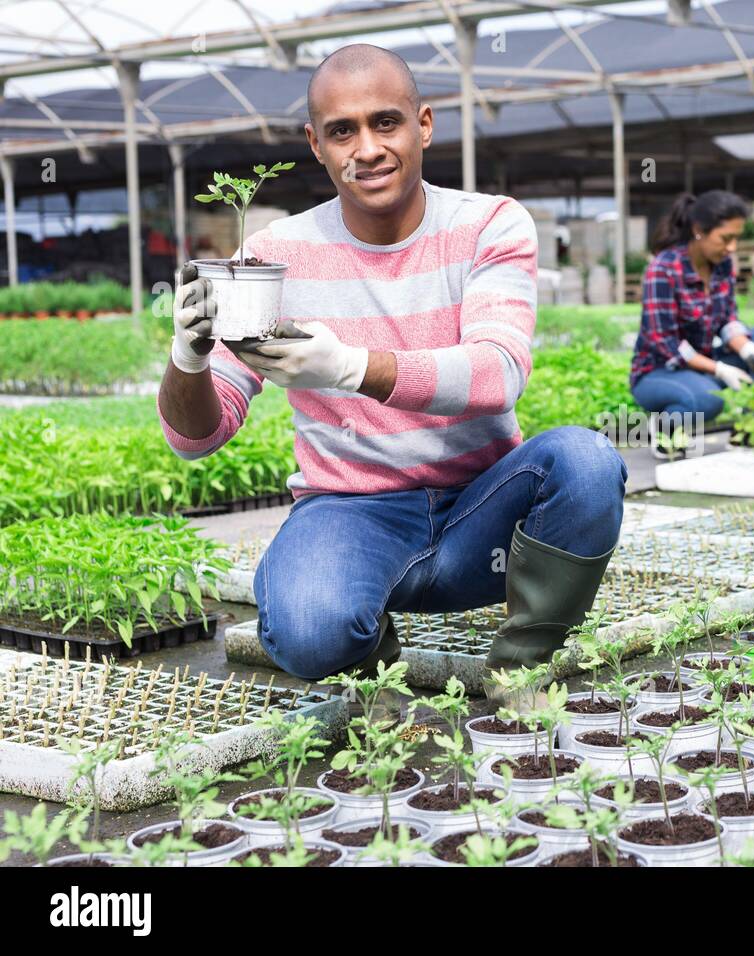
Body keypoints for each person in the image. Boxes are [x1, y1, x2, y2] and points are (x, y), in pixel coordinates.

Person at [159, 44, 626, 690]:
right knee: (307, 625)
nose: (368, 148)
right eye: (342, 131)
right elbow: (197, 439)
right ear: (316, 145)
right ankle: (371, 660)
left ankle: (521, 670)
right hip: (352, 515)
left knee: (588, 463)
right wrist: (189, 356)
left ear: (424, 124)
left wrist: (351, 367)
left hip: (480, 513)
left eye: (386, 122)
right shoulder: (275, 253)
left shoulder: (488, 225)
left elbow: (498, 373)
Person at [630, 191, 754, 449]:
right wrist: (719, 369)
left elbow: (728, 318)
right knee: (709, 400)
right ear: (699, 230)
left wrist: (748, 350)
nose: (732, 247)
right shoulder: (663, 269)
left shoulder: (723, 264)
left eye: (736, 238)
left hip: (701, 364)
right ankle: (664, 428)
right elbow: (666, 343)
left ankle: (750, 428)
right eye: (726, 238)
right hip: (658, 372)